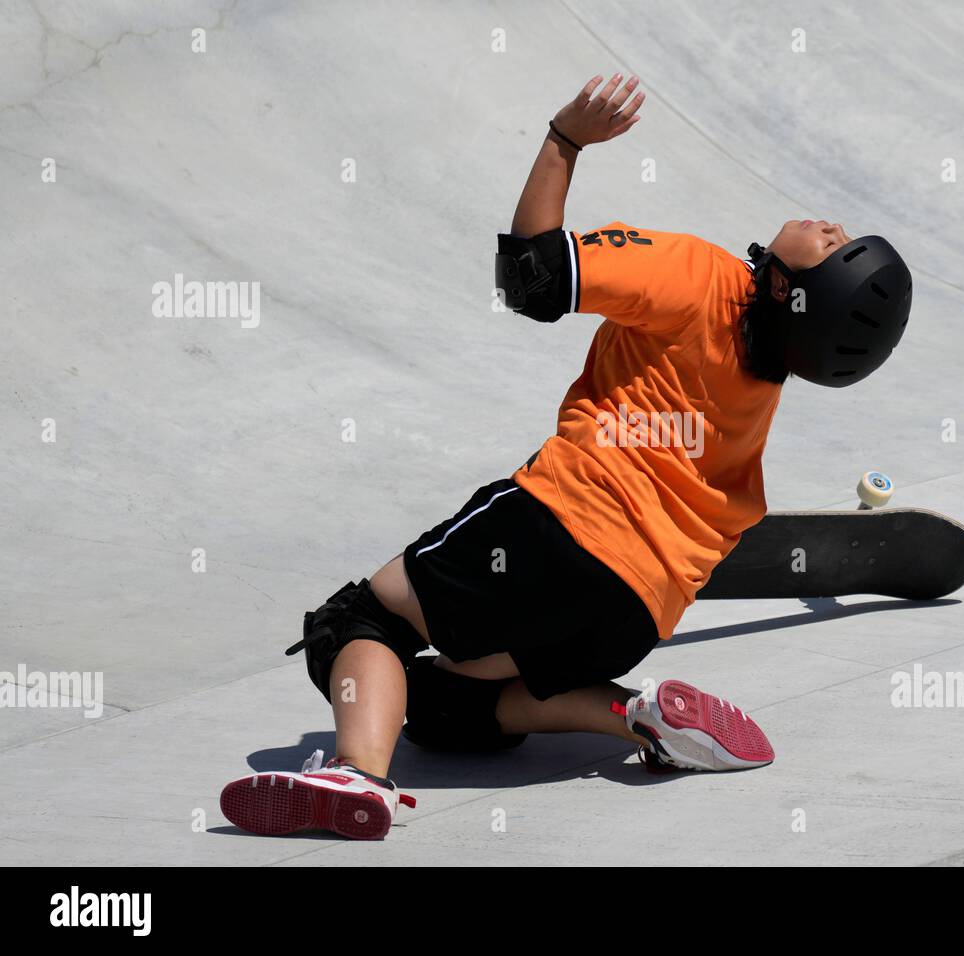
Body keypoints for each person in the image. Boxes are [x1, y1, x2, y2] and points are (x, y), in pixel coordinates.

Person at [221, 72, 912, 840]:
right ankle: (635, 715)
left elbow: (533, 277)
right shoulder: (763, 385)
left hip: (556, 528)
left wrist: (564, 141)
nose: (830, 224)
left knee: (360, 624)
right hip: (633, 613)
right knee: (443, 709)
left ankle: (358, 780)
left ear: (788, 290)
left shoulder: (703, 277)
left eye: (833, 245)